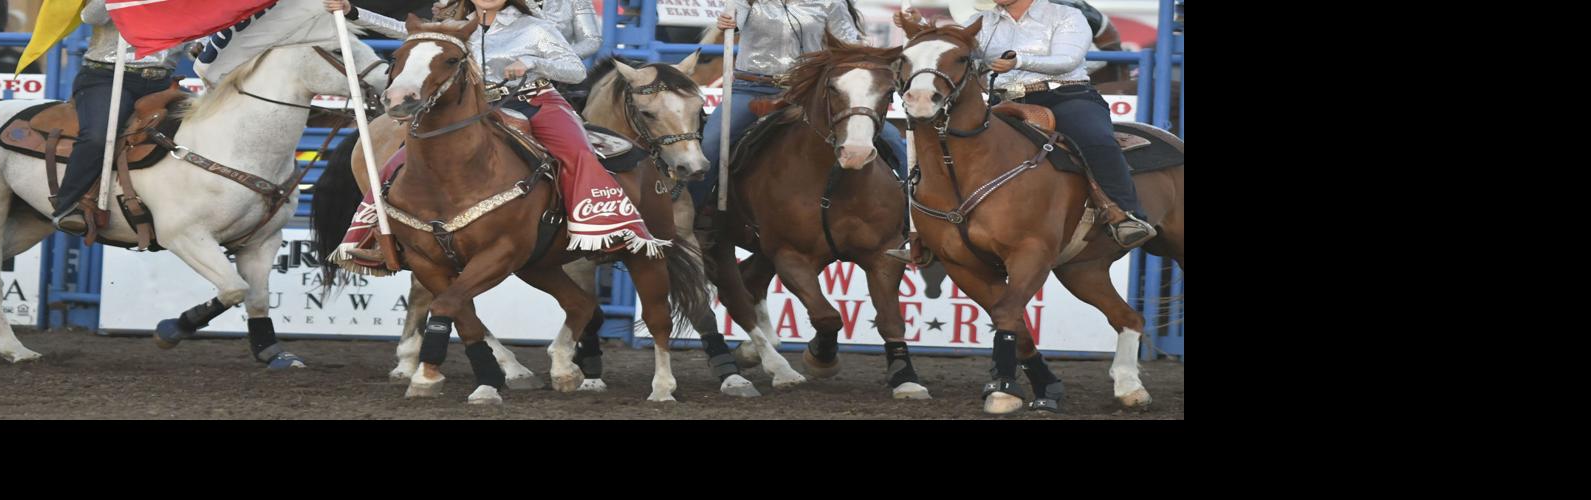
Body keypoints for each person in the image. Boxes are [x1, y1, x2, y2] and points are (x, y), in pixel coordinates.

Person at [326, 0, 668, 260]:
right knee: (399, 159)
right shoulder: (453, 27)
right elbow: (404, 29)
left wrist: (534, 63)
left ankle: (604, 226)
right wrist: (353, 11)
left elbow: (575, 70)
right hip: (480, 108)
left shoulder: (534, 27)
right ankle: (376, 236)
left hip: (535, 101)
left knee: (575, 149)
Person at [897, 0, 1157, 249]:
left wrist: (1018, 61)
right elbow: (954, 48)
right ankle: (930, 227)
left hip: (1065, 95)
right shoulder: (980, 20)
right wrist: (918, 25)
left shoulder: (1065, 16)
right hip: (1002, 100)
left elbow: (1068, 59)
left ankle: (1125, 214)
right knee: (943, 141)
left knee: (1095, 139)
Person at [690, 0, 907, 214]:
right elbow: (735, 18)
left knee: (891, 137)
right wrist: (729, 20)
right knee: (710, 144)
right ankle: (693, 217)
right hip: (751, 87)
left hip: (806, 90)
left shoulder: (829, 3)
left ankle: (914, 212)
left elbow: (849, 45)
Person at [51, 0, 189, 234]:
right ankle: (70, 203)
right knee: (98, 135)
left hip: (162, 81)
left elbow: (200, 26)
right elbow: (91, 17)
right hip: (105, 76)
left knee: (202, 127)